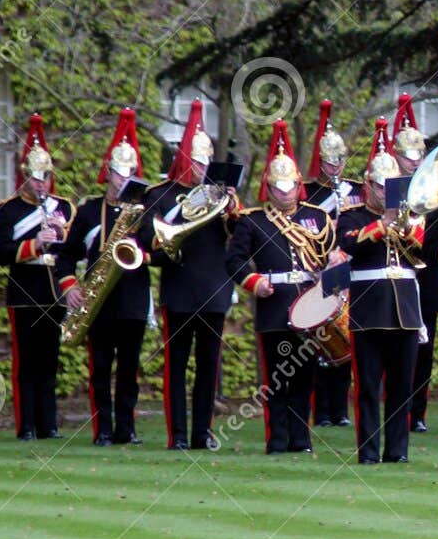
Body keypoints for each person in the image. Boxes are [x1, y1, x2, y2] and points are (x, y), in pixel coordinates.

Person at [226, 121, 337, 454]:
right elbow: (234, 261)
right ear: (269, 187)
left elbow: (331, 258)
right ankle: (276, 440)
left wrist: (331, 291)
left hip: (309, 301)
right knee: (276, 378)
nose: (285, 193)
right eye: (279, 188)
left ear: (298, 185)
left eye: (290, 187)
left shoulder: (317, 218)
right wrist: (254, 282)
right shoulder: (252, 220)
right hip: (273, 304)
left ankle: (301, 440)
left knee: (304, 378)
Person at [142, 99, 236, 450]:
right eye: (196, 160)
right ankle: (177, 435)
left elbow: (237, 238)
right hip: (179, 288)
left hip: (213, 288)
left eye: (206, 161)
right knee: (176, 368)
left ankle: (202, 432)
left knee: (209, 369)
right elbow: (146, 244)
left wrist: (230, 207)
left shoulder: (220, 195)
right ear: (183, 159)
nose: (202, 167)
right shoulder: (161, 195)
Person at [56, 108, 153, 447]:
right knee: (99, 369)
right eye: (117, 174)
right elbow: (66, 254)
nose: (122, 181)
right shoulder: (86, 210)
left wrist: (142, 248)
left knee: (129, 370)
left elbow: (157, 248)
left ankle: (127, 428)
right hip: (98, 302)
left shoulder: (144, 211)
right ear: (108, 173)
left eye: (128, 175)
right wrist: (69, 287)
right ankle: (103, 430)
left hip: (133, 298)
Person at [337, 118, 426, 464]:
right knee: (368, 387)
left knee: (402, 386)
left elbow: (422, 255)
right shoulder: (352, 215)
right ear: (368, 186)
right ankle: (369, 450)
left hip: (403, 305)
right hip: (369, 307)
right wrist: (381, 224)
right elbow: (350, 246)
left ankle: (398, 450)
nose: (384, 192)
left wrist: (404, 226)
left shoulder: (413, 216)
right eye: (379, 187)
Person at [0, 114, 73, 441]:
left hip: (52, 291)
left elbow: (71, 249)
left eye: (46, 179)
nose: (41, 185)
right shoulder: (8, 210)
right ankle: (26, 424)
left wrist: (59, 233)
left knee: (49, 361)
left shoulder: (62, 207)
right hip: (25, 290)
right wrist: (34, 244)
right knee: (26, 363)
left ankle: (48, 423)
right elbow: (1, 252)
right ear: (24, 178)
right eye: (36, 179)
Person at [304, 98, 360, 429]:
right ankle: (320, 409)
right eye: (329, 161)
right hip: (319, 269)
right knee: (321, 341)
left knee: (345, 337)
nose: (335, 167)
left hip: (348, 268)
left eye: (339, 161)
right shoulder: (309, 193)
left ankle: (339, 409)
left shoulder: (353, 190)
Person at [390, 93, 438, 434]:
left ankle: (417, 411)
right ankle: (394, 408)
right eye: (408, 155)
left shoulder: (435, 191)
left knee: (424, 348)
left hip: (425, 275)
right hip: (392, 277)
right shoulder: (387, 189)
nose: (414, 161)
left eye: (418, 155)